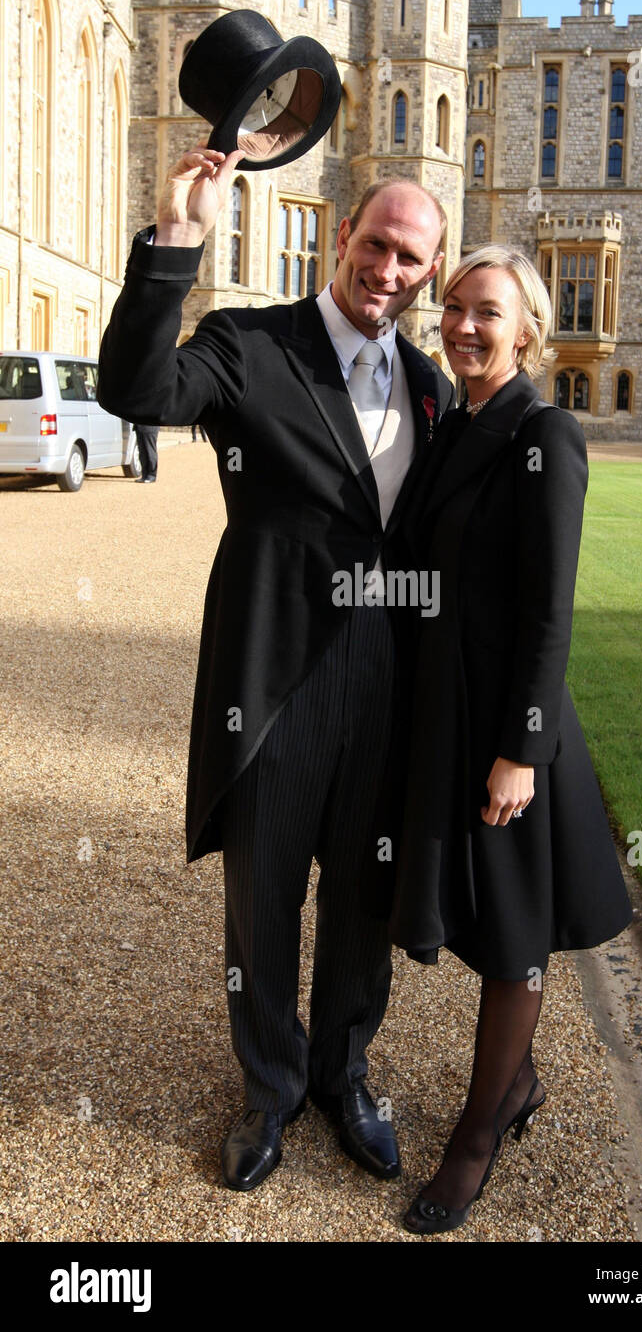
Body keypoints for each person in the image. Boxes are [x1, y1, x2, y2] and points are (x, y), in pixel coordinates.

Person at [97, 147, 454, 1192]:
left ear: (427, 272)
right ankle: (269, 1088)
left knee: (362, 898)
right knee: (263, 909)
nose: (387, 268)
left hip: (384, 687)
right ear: (342, 234)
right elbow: (136, 386)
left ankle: (344, 1076)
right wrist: (179, 234)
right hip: (275, 685)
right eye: (376, 244)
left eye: (409, 257)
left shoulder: (428, 386)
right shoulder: (251, 346)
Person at [387, 246, 633, 1234]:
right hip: (445, 709)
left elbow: (549, 609)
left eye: (484, 311)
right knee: (482, 920)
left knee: (514, 938)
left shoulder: (544, 433)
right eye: (450, 308)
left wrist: (521, 748)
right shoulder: (453, 426)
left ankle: (476, 1138)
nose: (461, 325)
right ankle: (519, 1083)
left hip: (505, 726)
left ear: (524, 328)